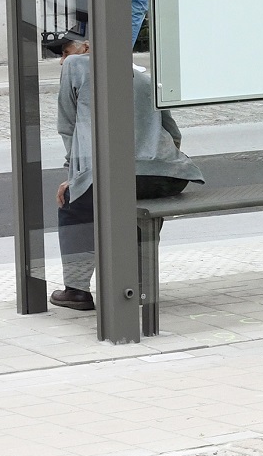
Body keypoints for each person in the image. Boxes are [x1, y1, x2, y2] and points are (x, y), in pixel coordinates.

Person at [51, 34, 204, 311]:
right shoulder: (144, 77)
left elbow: (68, 128)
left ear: (87, 48)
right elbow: (173, 132)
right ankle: (141, 285)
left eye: (65, 52)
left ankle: (76, 290)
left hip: (114, 174)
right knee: (141, 206)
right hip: (167, 176)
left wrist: (74, 178)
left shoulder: (77, 65)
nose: (62, 60)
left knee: (73, 205)